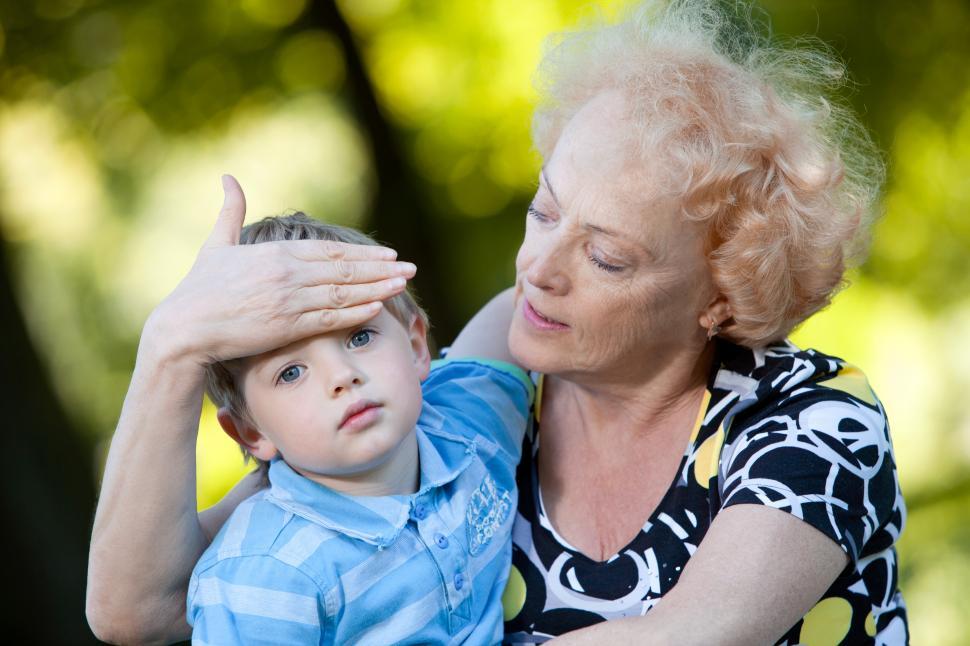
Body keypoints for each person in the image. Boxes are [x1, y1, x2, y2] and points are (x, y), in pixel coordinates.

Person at [86, 1, 908, 644]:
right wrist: (174, 345)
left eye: (607, 257)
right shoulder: (469, 395)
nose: (538, 270)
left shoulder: (812, 419)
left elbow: (690, 635)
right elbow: (142, 608)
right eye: (543, 211)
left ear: (719, 297)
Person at [182, 213, 533, 644]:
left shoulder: (472, 423)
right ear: (252, 431)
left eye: (360, 337)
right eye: (291, 372)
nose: (342, 376)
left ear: (416, 346)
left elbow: (532, 301)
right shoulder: (268, 575)